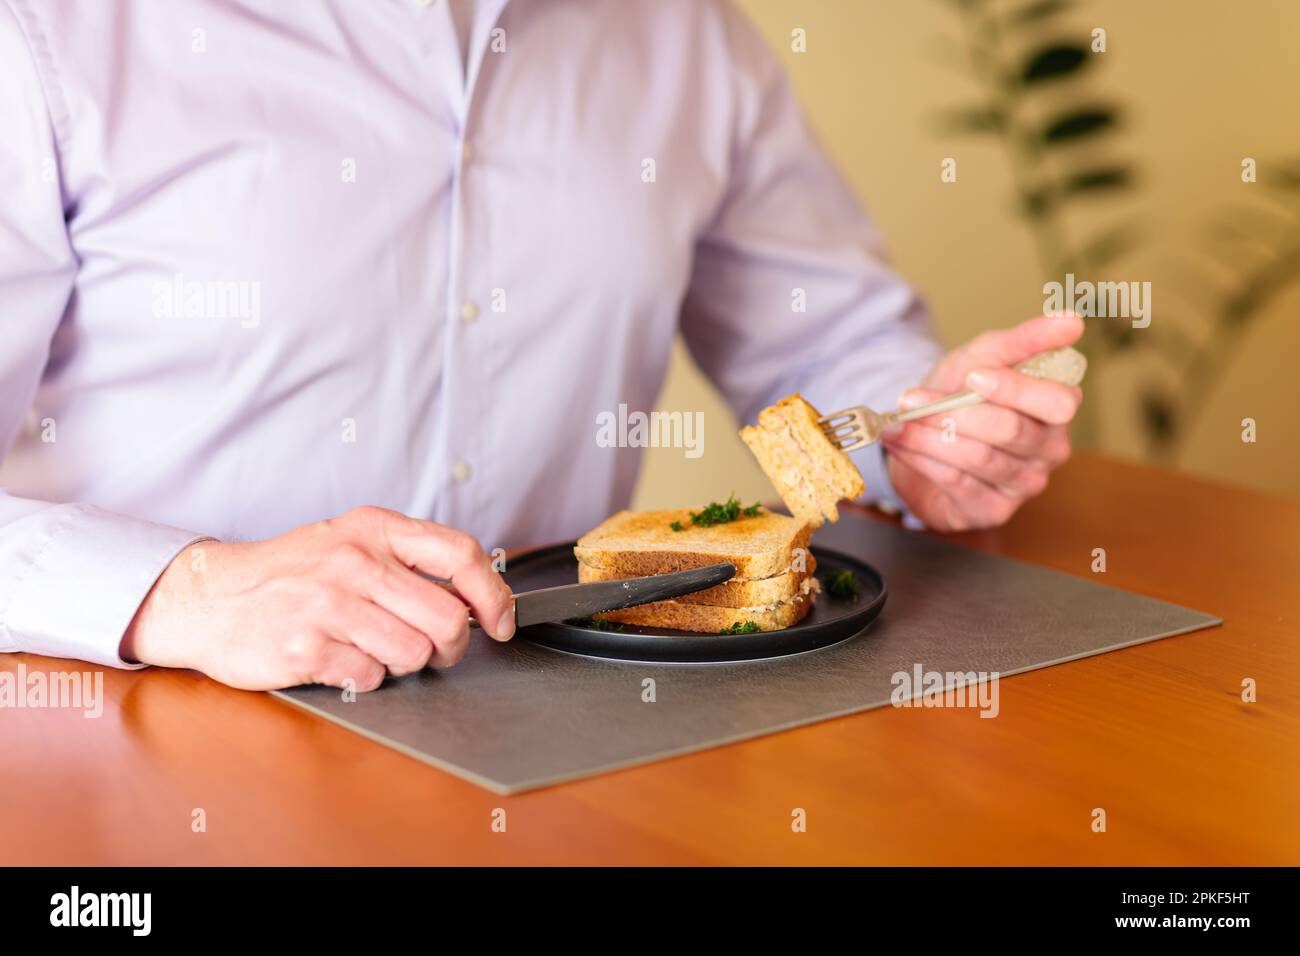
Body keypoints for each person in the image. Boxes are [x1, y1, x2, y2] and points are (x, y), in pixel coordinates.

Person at [0, 0, 1081, 691]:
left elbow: (831, 353)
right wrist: (184, 591)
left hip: (561, 726)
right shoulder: (51, 34)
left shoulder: (685, 33)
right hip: (143, 722)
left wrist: (918, 433)